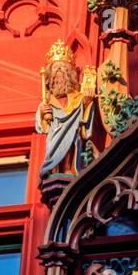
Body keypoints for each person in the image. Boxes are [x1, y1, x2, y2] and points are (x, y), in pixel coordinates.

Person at [36, 40, 97, 179]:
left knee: (71, 141)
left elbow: (84, 129)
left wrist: (87, 103)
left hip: (72, 137)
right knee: (54, 146)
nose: (59, 72)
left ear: (70, 75)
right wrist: (42, 112)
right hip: (54, 136)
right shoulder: (47, 101)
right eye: (56, 68)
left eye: (63, 69)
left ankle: (68, 168)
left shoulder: (78, 98)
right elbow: (41, 127)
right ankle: (54, 169)